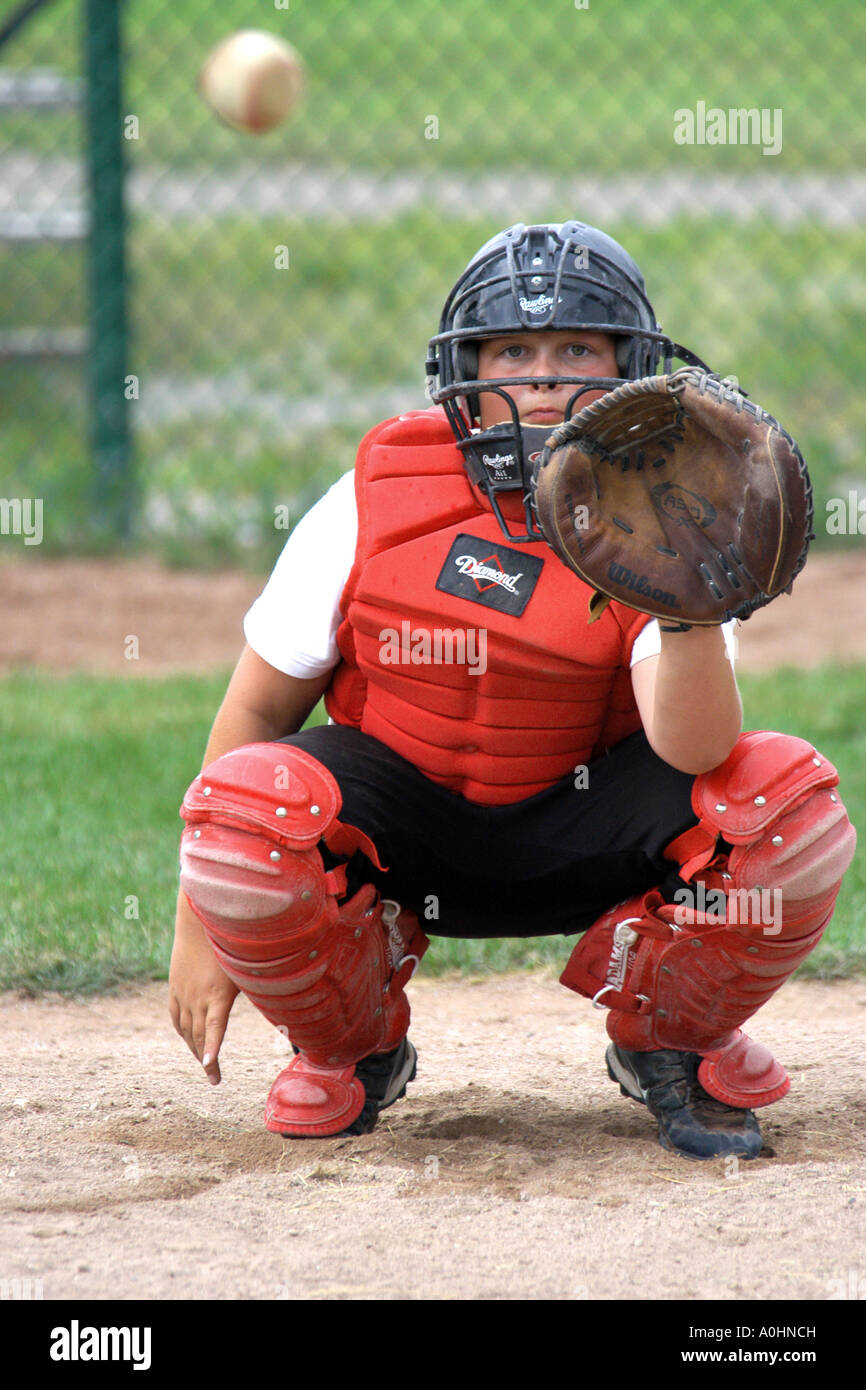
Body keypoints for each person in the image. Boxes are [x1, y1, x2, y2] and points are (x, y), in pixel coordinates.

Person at [169, 221, 855, 1159]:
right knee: (250, 805)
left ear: (629, 367)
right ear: (465, 369)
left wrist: (688, 599)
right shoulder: (376, 491)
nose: (541, 375)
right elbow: (255, 714)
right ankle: (350, 1040)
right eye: (513, 349)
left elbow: (692, 751)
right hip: (406, 838)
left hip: (586, 835)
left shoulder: (659, 505)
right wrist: (199, 927)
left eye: (576, 348)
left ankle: (671, 1038)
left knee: (785, 805)